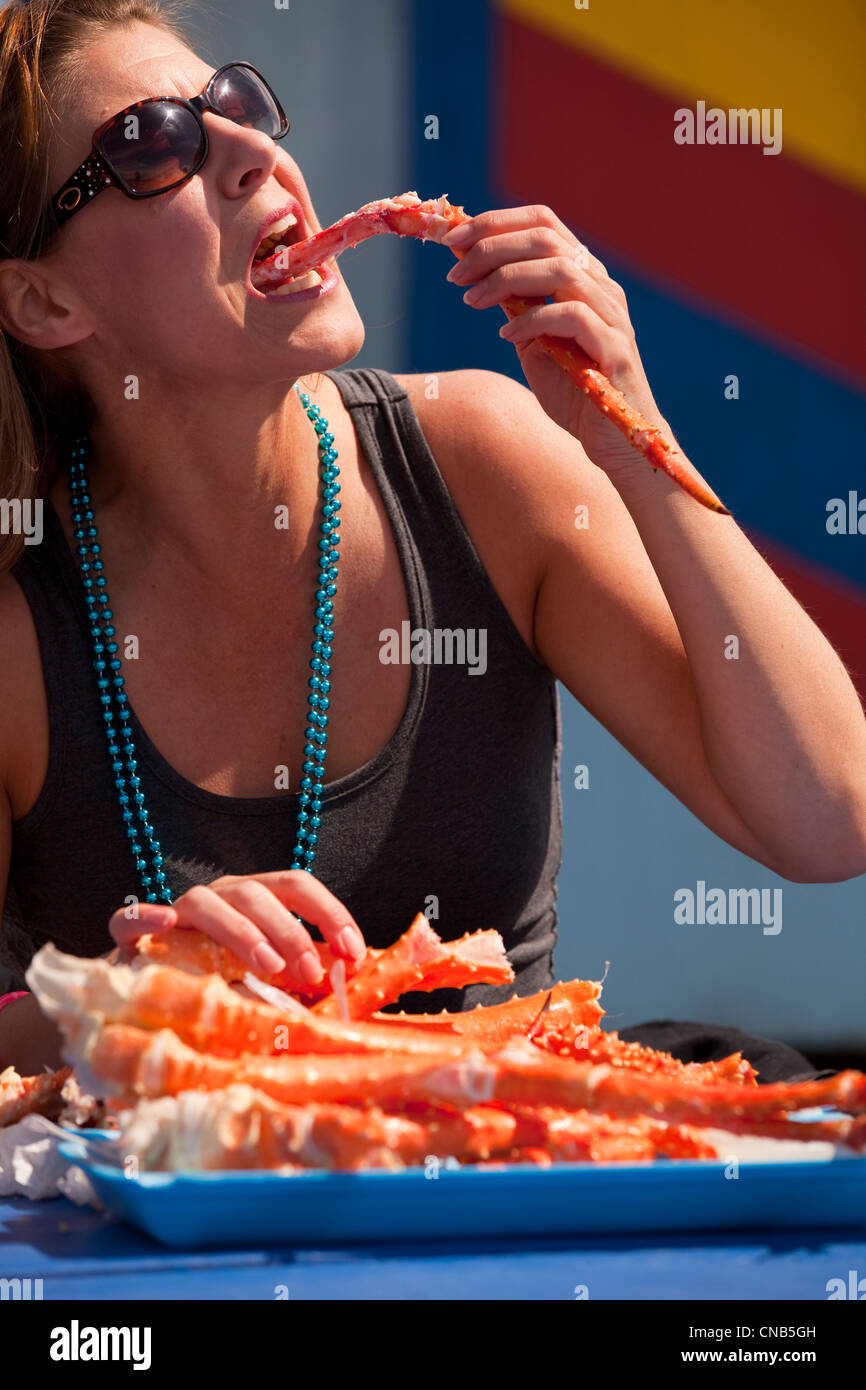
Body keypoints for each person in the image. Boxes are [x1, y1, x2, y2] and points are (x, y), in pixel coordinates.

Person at [1, 0, 864, 1076]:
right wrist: (117, 1004)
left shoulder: (474, 461)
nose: (253, 149)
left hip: (511, 1200)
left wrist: (631, 432)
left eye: (236, 102)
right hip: (190, 1233)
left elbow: (825, 820)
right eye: (153, 146)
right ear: (42, 301)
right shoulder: (20, 624)